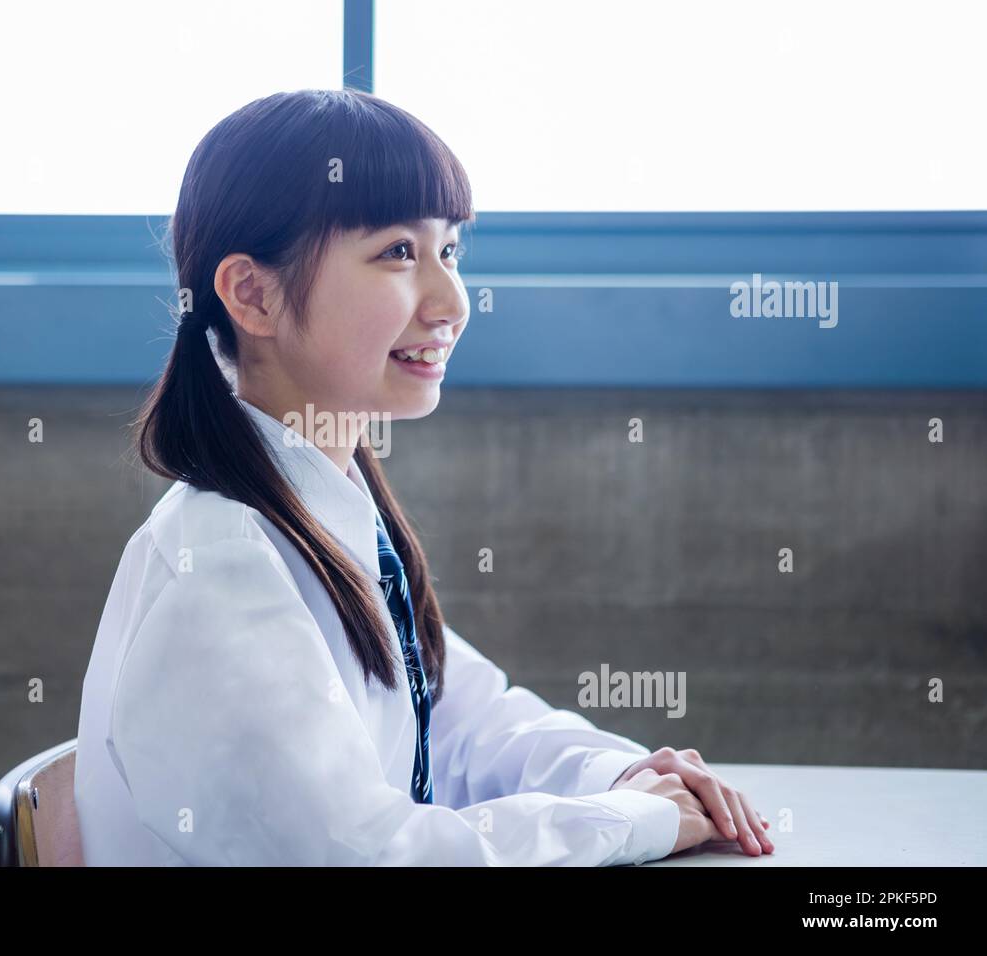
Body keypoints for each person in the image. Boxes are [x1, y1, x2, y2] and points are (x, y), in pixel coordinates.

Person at [74, 88, 773, 865]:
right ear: (252, 293)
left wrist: (628, 774)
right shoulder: (219, 563)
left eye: (450, 251)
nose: (450, 302)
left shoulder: (326, 505)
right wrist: (631, 820)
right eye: (397, 253)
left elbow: (461, 717)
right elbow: (366, 855)